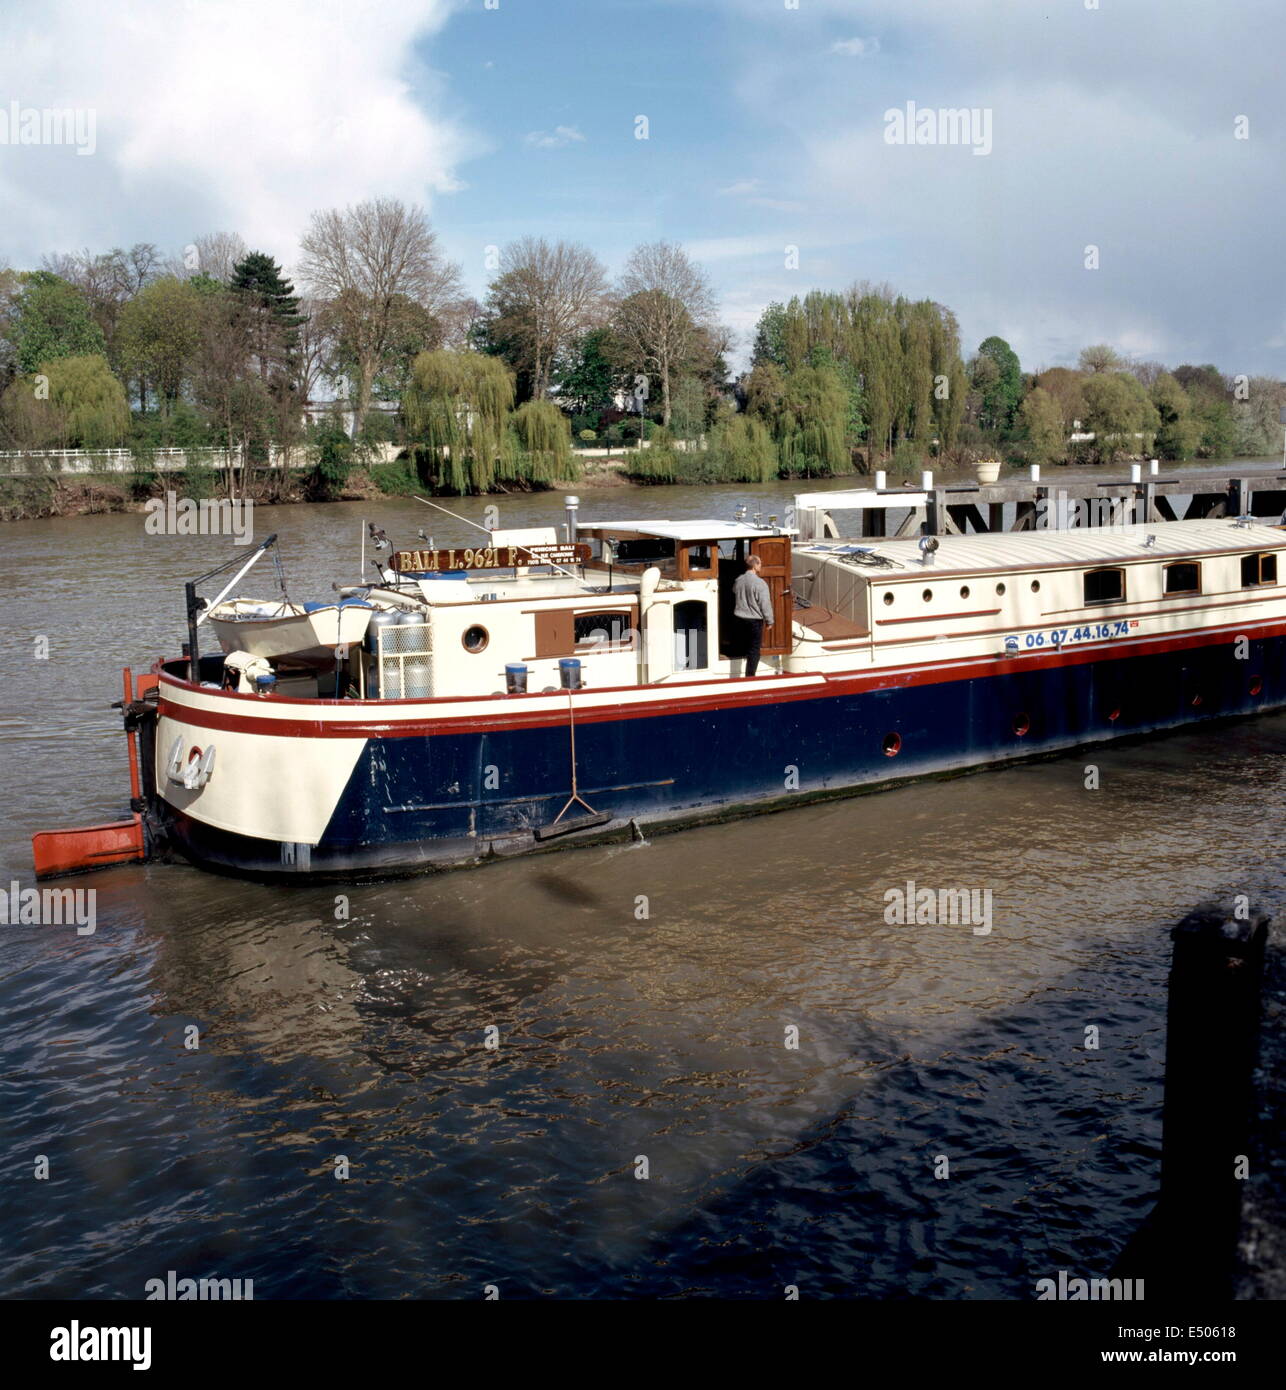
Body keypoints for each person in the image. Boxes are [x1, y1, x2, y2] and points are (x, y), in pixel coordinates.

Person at [732, 553, 774, 676]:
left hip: (739, 618)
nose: (761, 565)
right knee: (754, 650)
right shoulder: (760, 583)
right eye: (760, 563)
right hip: (753, 621)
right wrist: (769, 621)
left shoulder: (738, 580)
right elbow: (765, 604)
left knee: (743, 644)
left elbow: (734, 591)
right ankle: (750, 677)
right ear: (755, 565)